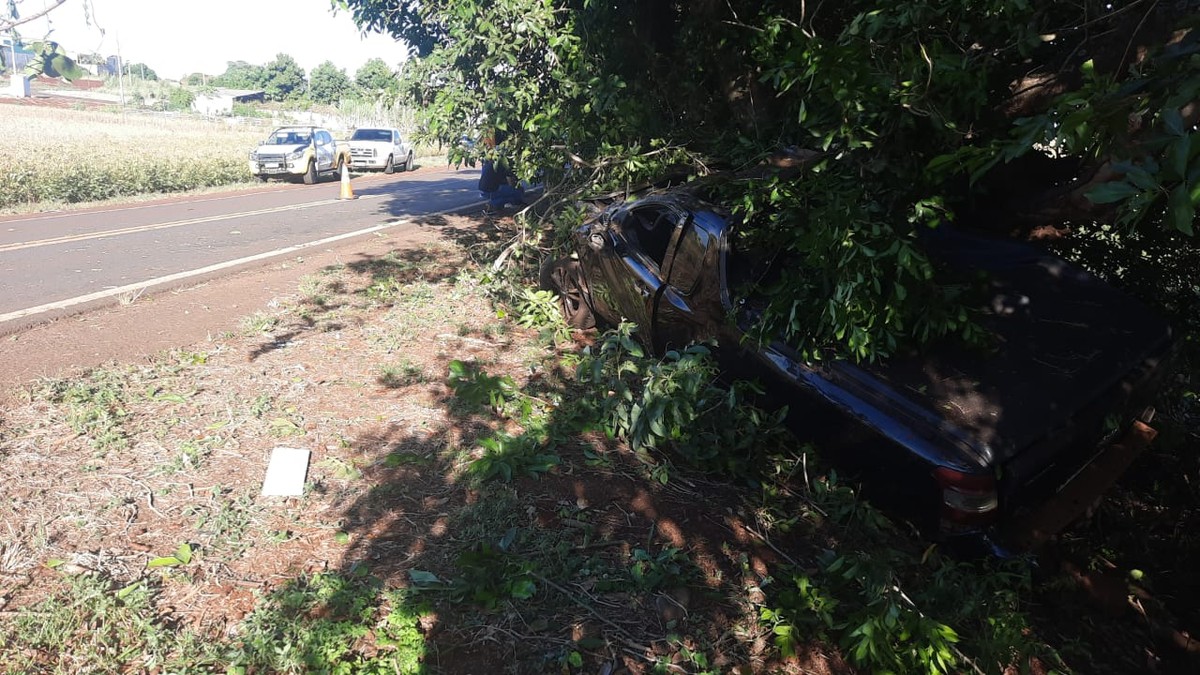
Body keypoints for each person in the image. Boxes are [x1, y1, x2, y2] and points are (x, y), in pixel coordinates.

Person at [477, 132, 525, 210]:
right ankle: (496, 203)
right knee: (518, 191)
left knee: (506, 190)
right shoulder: (504, 160)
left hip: (483, 189)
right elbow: (511, 182)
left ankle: (497, 203)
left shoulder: (489, 156)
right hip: (491, 191)